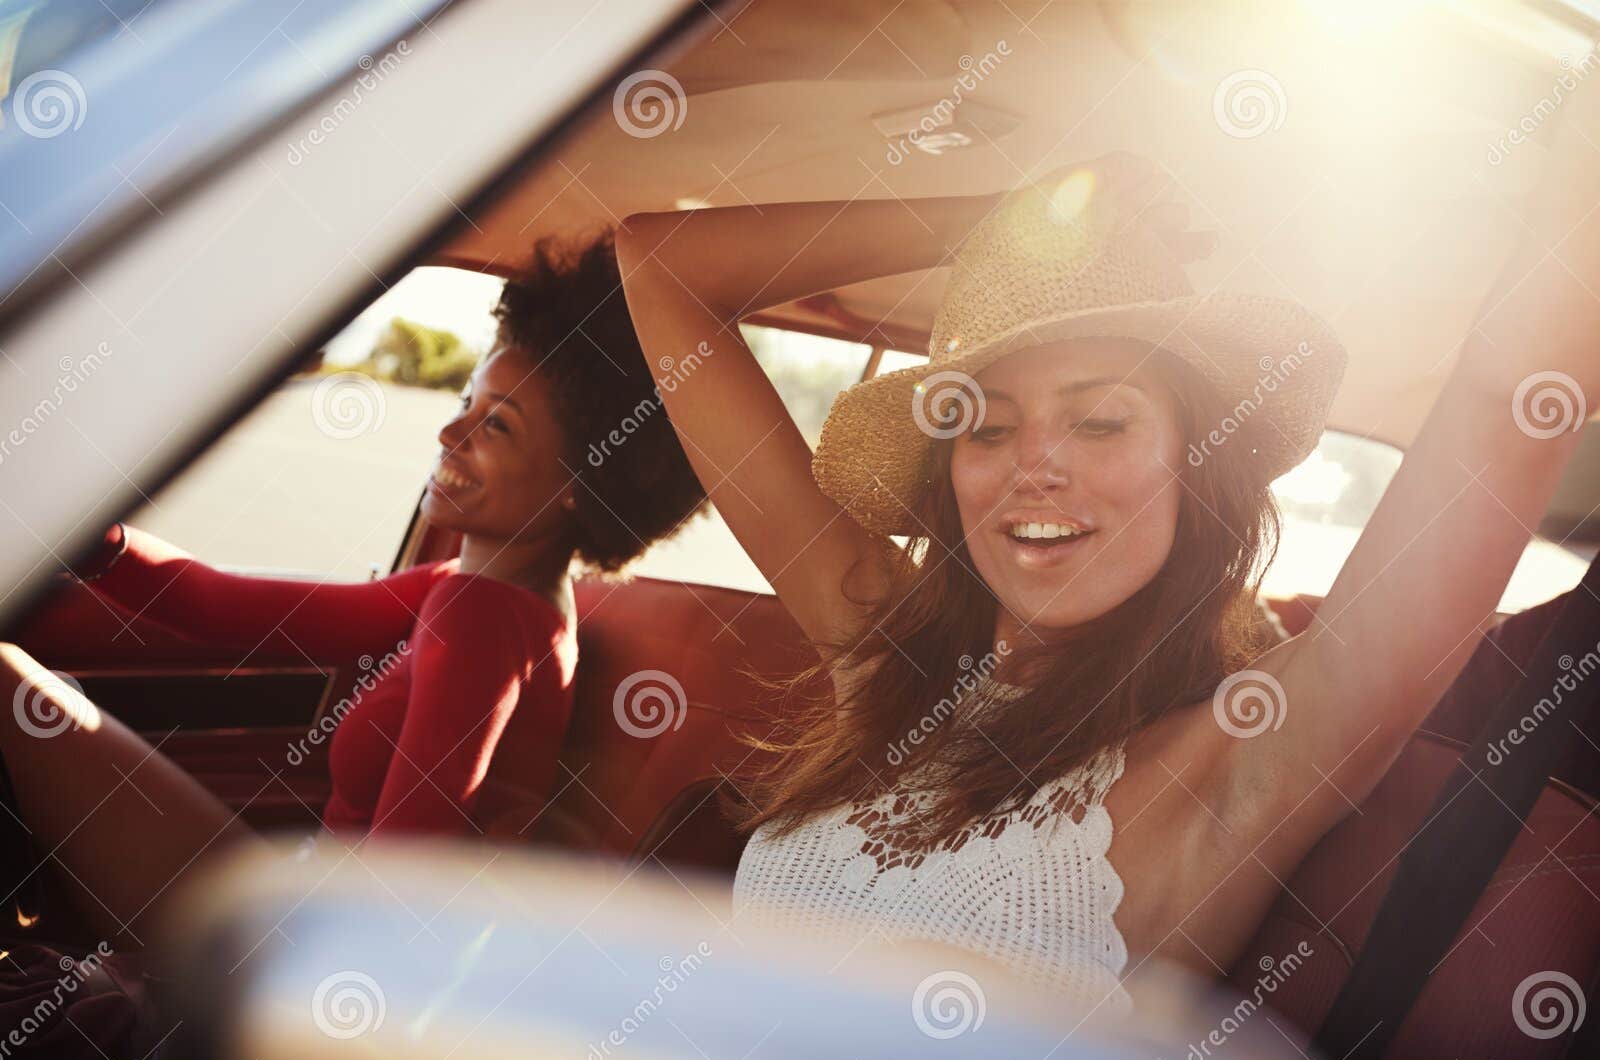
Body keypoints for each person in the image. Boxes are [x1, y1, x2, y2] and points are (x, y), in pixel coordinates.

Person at [615, 130, 1600, 1011]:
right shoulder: (883, 655)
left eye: (1100, 418)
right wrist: (1008, 222)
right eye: (988, 428)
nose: (1035, 462)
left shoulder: (1239, 761)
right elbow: (659, 264)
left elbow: (1510, 389)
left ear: (1193, 465)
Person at [0, 231, 707, 942]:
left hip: (311, 950)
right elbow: (232, 610)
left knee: (10, 689)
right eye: (468, 398)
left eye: (496, 424)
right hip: (311, 913)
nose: (449, 430)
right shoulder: (476, 589)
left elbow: (402, 875)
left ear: (581, 488)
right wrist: (96, 539)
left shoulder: (482, 614)